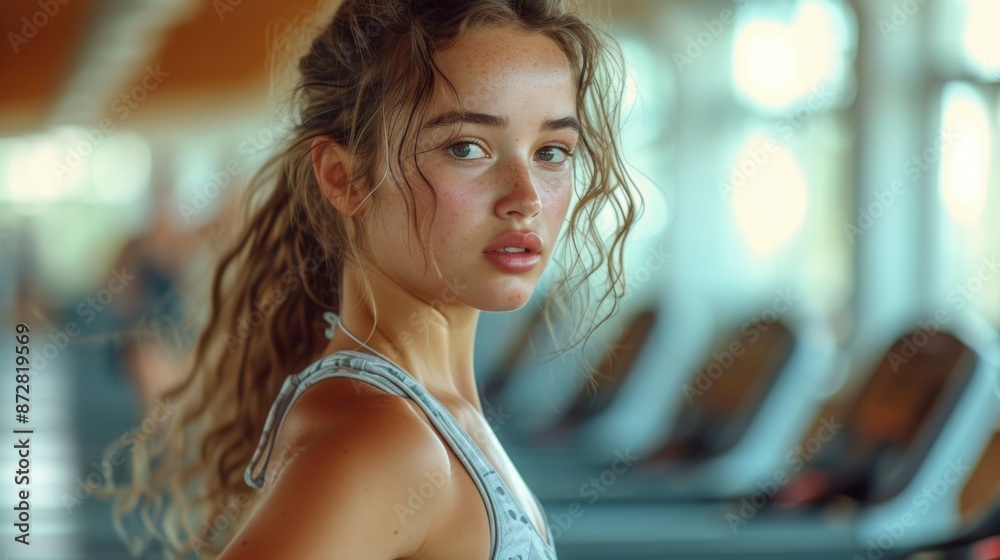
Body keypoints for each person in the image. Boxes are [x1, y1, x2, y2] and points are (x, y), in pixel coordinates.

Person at [102, 0, 641, 558]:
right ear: (345, 178)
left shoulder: (423, 418)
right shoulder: (387, 441)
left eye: (552, 152)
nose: (526, 199)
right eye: (466, 148)